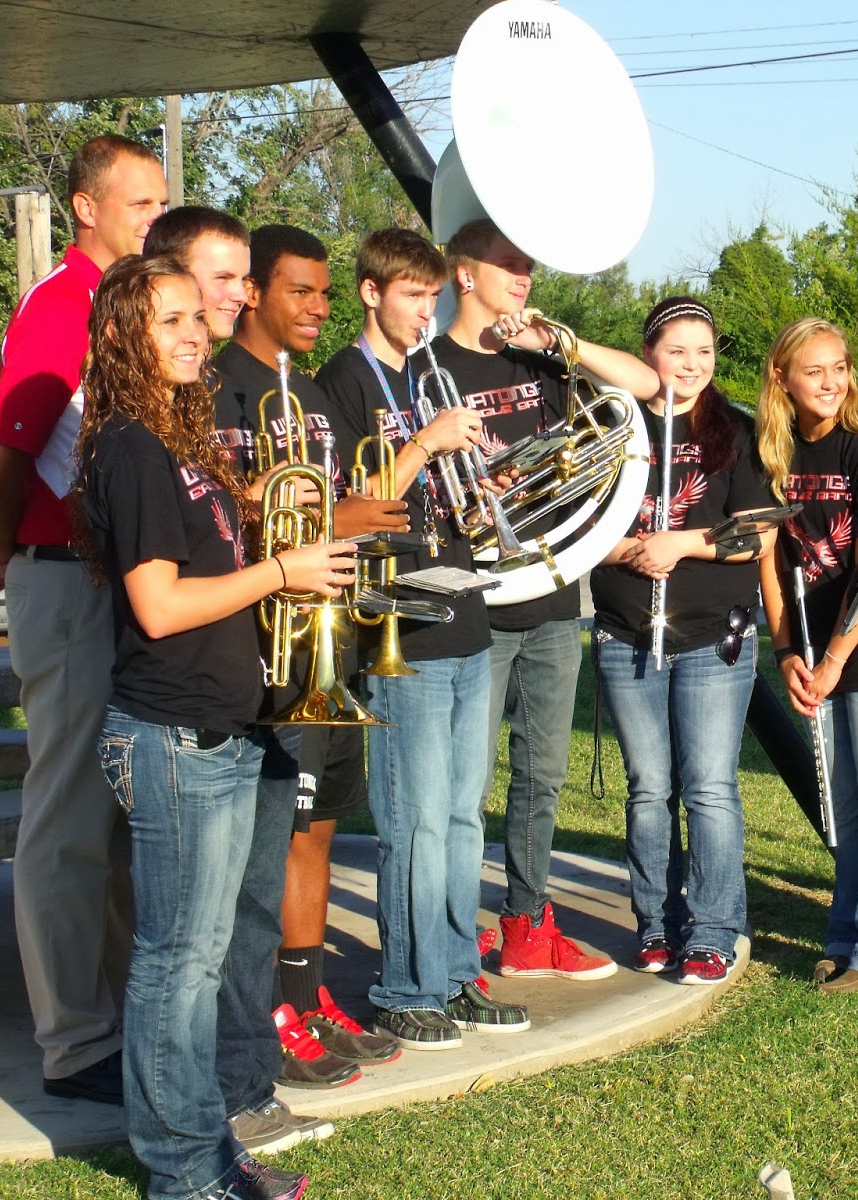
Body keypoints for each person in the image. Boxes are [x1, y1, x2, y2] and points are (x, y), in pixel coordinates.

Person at [75, 253, 356, 1200]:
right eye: (171, 322)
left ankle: (205, 1149)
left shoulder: (178, 439)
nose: (197, 332)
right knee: (176, 966)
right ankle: (181, 1173)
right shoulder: (132, 448)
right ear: (123, 339)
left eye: (199, 316)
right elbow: (157, 606)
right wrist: (285, 575)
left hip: (221, 728)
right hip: (173, 736)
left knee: (197, 964)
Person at [0, 133, 167, 1105]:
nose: (154, 223)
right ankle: (76, 1042)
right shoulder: (60, 305)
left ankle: (118, 1018)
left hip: (103, 580)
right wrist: (7, 553)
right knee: (70, 814)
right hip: (65, 574)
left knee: (117, 810)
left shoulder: (118, 305)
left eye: (162, 207)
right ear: (85, 208)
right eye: (140, 207)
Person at [206, 223, 408, 1098]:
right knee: (280, 836)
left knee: (321, 825)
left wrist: (370, 509)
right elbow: (217, 523)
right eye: (301, 292)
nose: (319, 310)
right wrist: (338, 522)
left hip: (330, 637)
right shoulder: (216, 388)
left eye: (327, 294)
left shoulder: (317, 394)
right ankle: (266, 1018)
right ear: (252, 290)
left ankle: (304, 992)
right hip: (262, 645)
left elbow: (332, 497)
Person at [319, 226, 532, 1049]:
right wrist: (423, 444)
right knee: (414, 820)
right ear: (372, 292)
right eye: (411, 296)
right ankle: (405, 986)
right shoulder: (339, 380)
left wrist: (486, 487)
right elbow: (352, 503)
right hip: (399, 620)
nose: (423, 312)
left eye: (431, 297)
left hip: (464, 609)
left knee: (462, 816)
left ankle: (453, 974)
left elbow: (447, 496)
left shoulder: (427, 377)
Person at [431, 217, 656, 982]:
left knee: (544, 775)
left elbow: (646, 386)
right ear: (464, 275)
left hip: (556, 596)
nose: (523, 278)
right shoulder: (431, 365)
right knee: (466, 786)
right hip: (476, 602)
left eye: (528, 267)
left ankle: (527, 925)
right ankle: (450, 942)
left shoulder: (542, 357)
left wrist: (565, 343)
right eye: (507, 265)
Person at [590, 297, 773, 984]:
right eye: (676, 351)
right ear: (648, 354)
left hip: (711, 638)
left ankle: (714, 930)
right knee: (648, 789)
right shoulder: (614, 429)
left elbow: (755, 534)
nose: (692, 365)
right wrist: (630, 550)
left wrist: (684, 542)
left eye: (704, 351)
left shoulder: (737, 432)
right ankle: (656, 924)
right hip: (625, 632)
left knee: (709, 789)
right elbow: (576, 532)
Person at [756, 318, 858, 996]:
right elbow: (770, 561)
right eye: (814, 370)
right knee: (845, 808)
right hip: (812, 651)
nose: (831, 382)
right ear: (783, 378)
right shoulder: (773, 453)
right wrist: (786, 650)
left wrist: (830, 663)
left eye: (839, 368)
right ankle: (848, 937)